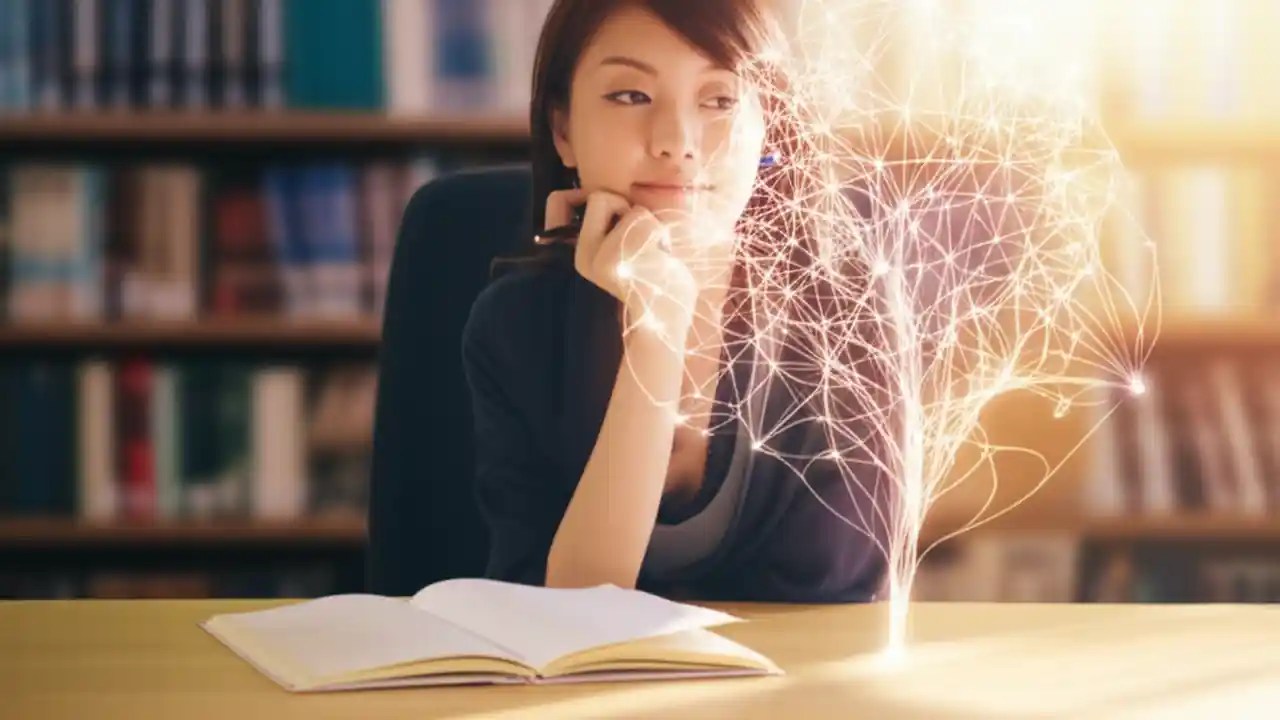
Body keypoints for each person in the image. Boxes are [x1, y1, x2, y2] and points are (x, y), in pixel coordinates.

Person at [460, 0, 891, 603]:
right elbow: (560, 612)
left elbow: (833, 607)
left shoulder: (844, 313)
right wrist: (657, 327)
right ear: (563, 131)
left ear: (768, 127)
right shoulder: (516, 325)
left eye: (720, 100)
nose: (676, 142)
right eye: (630, 95)